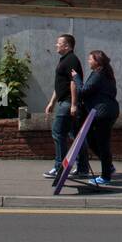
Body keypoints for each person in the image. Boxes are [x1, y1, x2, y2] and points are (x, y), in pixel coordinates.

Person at [43, 34, 87, 181]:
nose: (56, 45)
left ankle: (59, 168)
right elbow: (60, 84)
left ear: (67, 46)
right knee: (75, 136)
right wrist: (52, 102)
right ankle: (82, 169)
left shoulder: (71, 60)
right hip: (65, 102)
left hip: (68, 103)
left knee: (58, 133)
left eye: (59, 43)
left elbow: (74, 82)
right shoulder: (65, 60)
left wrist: (73, 104)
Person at [77, 50, 119, 186]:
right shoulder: (105, 74)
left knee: (102, 144)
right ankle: (108, 166)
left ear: (97, 61)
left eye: (90, 59)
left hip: (103, 113)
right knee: (91, 139)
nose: (88, 61)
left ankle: (106, 176)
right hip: (107, 111)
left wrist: (76, 78)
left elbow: (83, 91)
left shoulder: (98, 74)